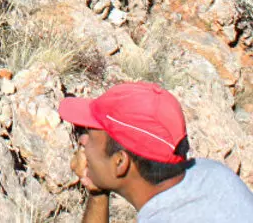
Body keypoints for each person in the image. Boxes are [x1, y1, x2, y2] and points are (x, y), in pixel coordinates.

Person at [60, 82, 253, 222]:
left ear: (120, 163)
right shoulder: (214, 174)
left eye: (90, 134)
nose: (82, 140)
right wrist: (98, 189)